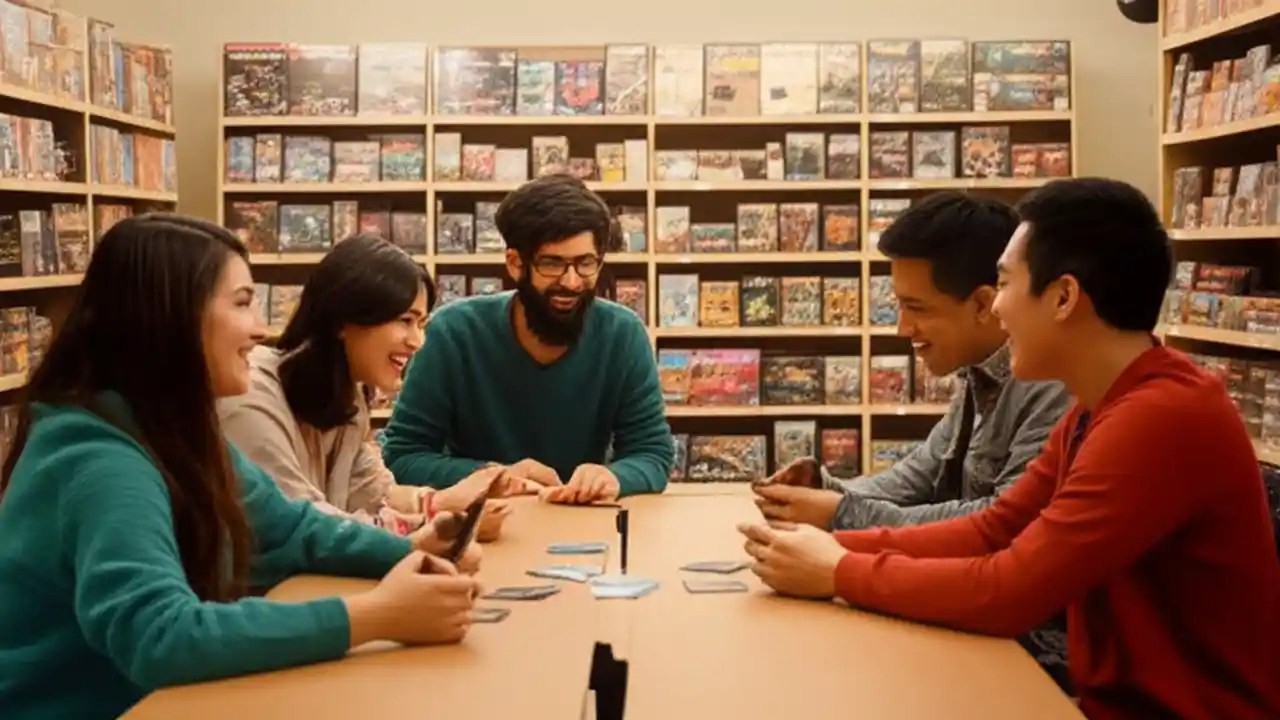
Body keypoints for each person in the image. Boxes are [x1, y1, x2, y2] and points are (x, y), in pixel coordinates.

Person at [739, 179, 1280, 719]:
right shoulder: (1099, 406)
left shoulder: (1158, 418)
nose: (995, 309)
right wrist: (833, 547)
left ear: (1063, 297)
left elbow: (1012, 590)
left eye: (1003, 284)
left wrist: (840, 570)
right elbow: (995, 528)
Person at [0, 215, 484, 720]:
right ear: (172, 316)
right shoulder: (101, 460)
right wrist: (378, 615)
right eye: (242, 302)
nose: (260, 328)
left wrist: (410, 552)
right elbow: (159, 635)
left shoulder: (170, 431)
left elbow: (289, 526)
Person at [754, 191, 1070, 531]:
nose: (902, 328)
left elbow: (1002, 523)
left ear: (983, 304)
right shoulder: (980, 375)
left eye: (917, 308)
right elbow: (918, 477)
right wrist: (821, 489)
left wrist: (840, 512)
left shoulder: (1051, 386)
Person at [382, 175, 673, 503]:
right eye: (552, 264)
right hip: (482, 520)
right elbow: (402, 456)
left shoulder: (623, 333)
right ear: (516, 264)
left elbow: (652, 453)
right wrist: (493, 477)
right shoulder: (452, 332)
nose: (571, 282)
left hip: (585, 520)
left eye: (585, 263)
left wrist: (613, 477)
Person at [218, 235, 514, 541]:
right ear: (343, 321)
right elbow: (301, 526)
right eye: (405, 320)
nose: (417, 342)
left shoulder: (344, 394)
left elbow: (373, 492)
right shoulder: (250, 396)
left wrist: (444, 506)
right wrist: (439, 528)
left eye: (421, 324)